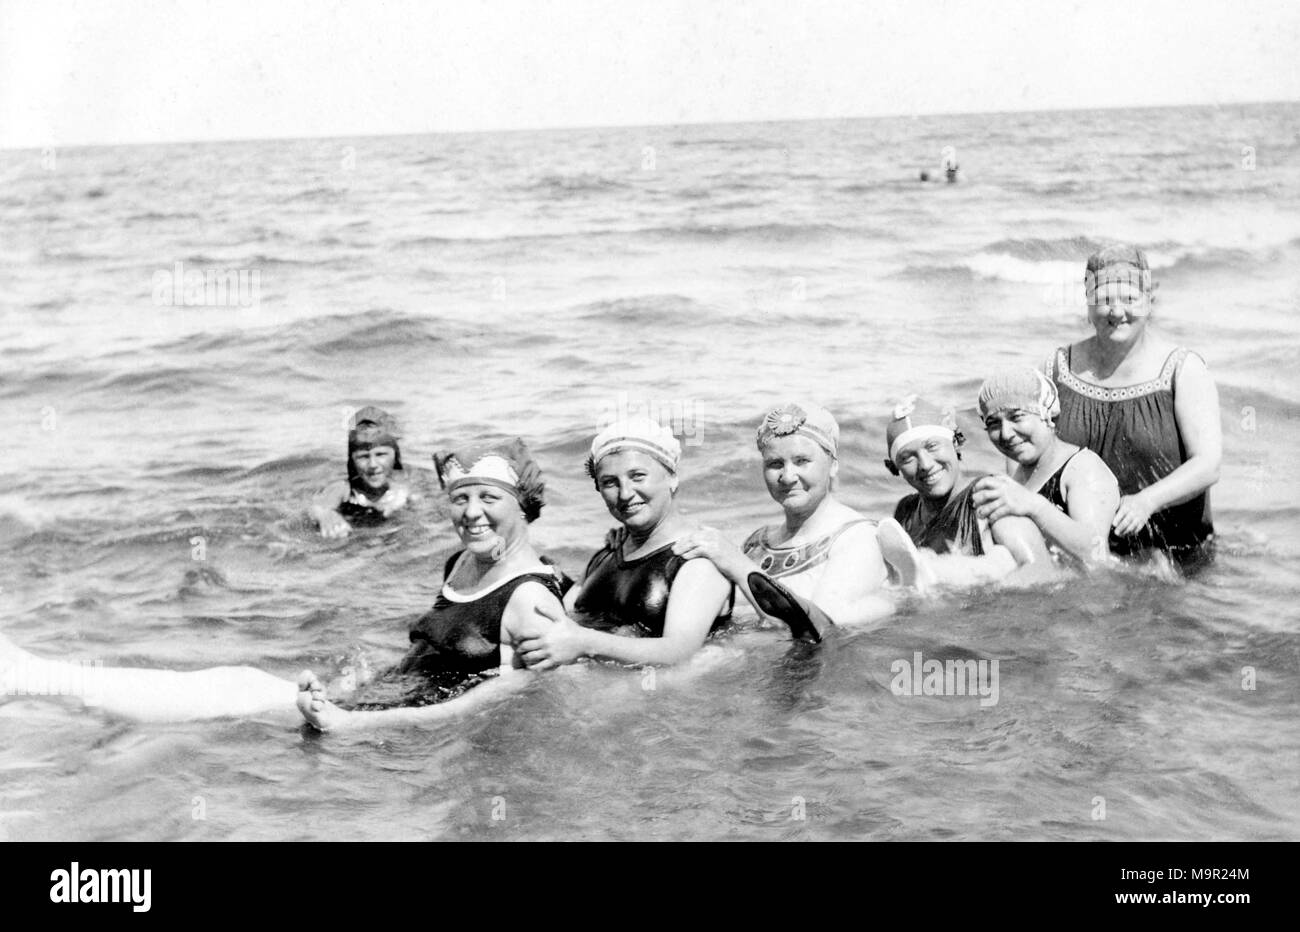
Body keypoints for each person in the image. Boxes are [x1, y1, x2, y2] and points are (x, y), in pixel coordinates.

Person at [0, 439, 566, 732]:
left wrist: (356, 725)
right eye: (460, 498)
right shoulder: (463, 565)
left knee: (231, 693)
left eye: (489, 499)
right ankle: (39, 689)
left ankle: (34, 681)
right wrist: (360, 685)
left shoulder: (531, 598)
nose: (470, 513)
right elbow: (435, 659)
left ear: (525, 509)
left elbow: (495, 699)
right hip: (371, 700)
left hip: (385, 724)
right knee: (219, 703)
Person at [1045, 244, 1221, 570]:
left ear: (1149, 302)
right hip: (1084, 556)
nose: (1116, 312)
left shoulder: (1183, 369)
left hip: (1175, 555)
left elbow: (1208, 465)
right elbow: (1027, 459)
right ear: (1087, 302)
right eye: (1104, 299)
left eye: (1129, 299)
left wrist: (1146, 502)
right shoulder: (1056, 368)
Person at [516, 416, 734, 669]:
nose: (625, 493)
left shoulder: (697, 558)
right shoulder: (608, 553)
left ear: (672, 477)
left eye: (638, 476)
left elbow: (679, 651)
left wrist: (584, 642)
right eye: (610, 482)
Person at [666, 402, 893, 641]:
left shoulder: (857, 538)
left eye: (802, 461)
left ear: (833, 465)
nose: (787, 476)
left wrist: (733, 561)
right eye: (775, 464)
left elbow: (821, 630)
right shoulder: (757, 541)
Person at [875, 395, 1053, 588]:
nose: (925, 465)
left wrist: (981, 587)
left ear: (955, 442)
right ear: (895, 467)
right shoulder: (906, 512)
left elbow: (1042, 571)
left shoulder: (988, 495)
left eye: (932, 446)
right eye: (908, 458)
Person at [970, 367, 1120, 567]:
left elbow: (1097, 556)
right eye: (993, 423)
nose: (1005, 433)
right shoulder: (1019, 468)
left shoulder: (1083, 468)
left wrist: (1034, 505)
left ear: (1048, 416)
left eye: (1016, 417)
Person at [310, 406, 413, 539]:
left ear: (395, 455)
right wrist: (326, 516)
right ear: (352, 460)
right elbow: (316, 507)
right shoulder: (344, 489)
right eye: (363, 456)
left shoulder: (402, 490)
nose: (373, 465)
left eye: (381, 454)